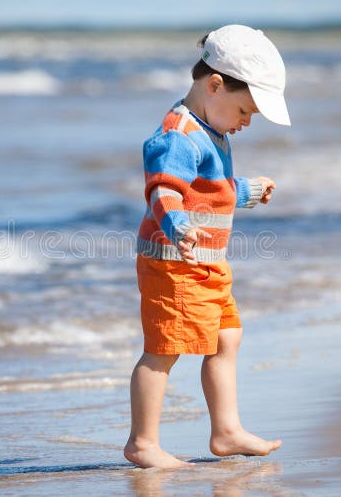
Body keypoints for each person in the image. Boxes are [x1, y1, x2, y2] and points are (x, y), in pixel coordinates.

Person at [124, 24, 291, 468]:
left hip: (208, 263)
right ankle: (142, 443)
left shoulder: (212, 129)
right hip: (174, 261)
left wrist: (246, 191)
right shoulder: (178, 133)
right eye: (245, 110)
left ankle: (227, 430)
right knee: (164, 348)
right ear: (214, 85)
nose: (247, 122)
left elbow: (210, 188)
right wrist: (177, 226)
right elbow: (164, 190)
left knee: (227, 337)